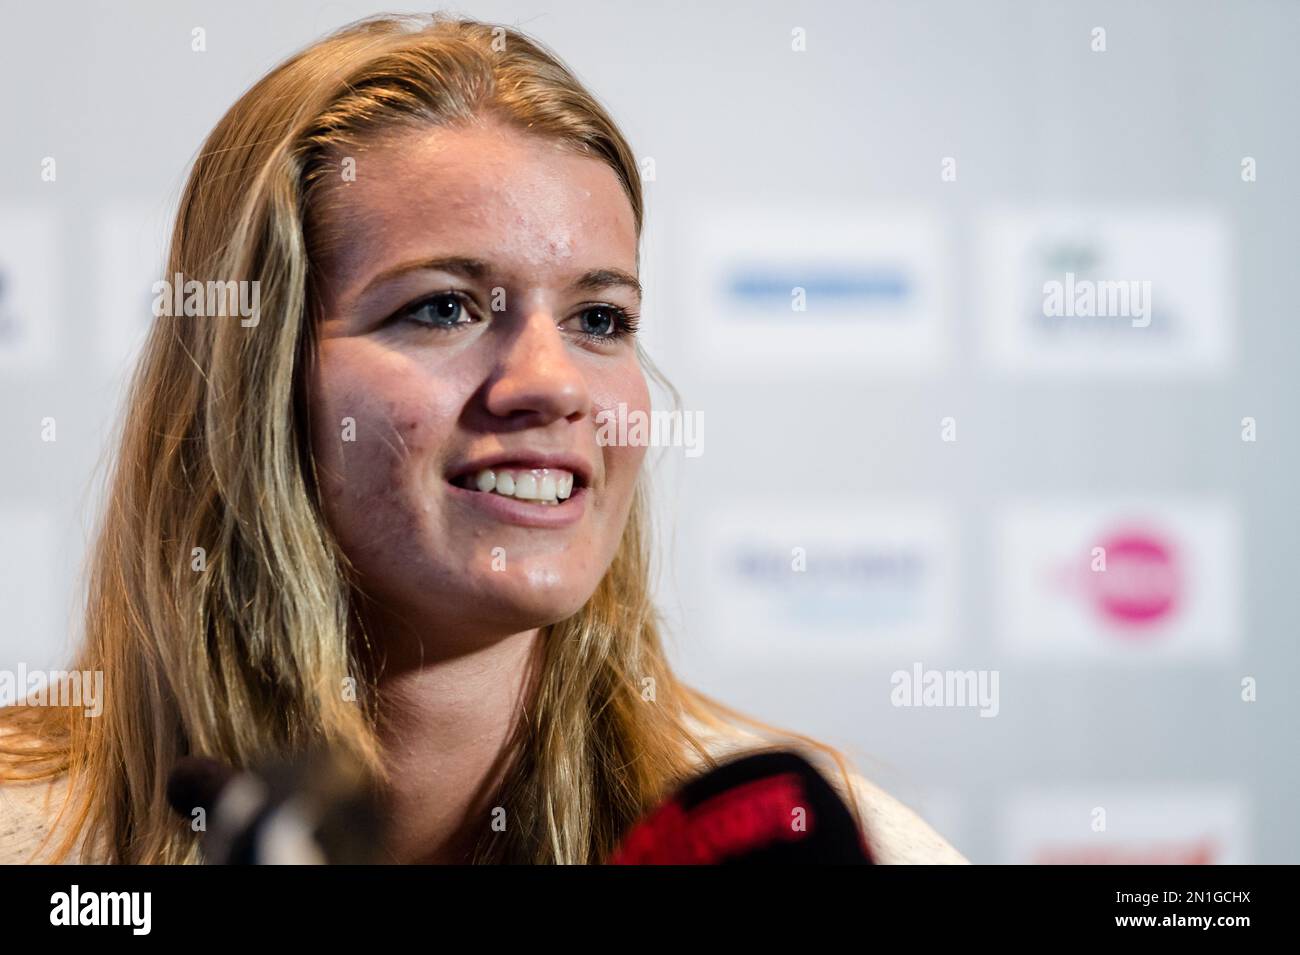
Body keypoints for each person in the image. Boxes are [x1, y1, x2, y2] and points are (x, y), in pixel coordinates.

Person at [0, 13, 966, 865]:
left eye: (599, 319)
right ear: (256, 378)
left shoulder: (823, 849)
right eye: (445, 306)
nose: (550, 384)